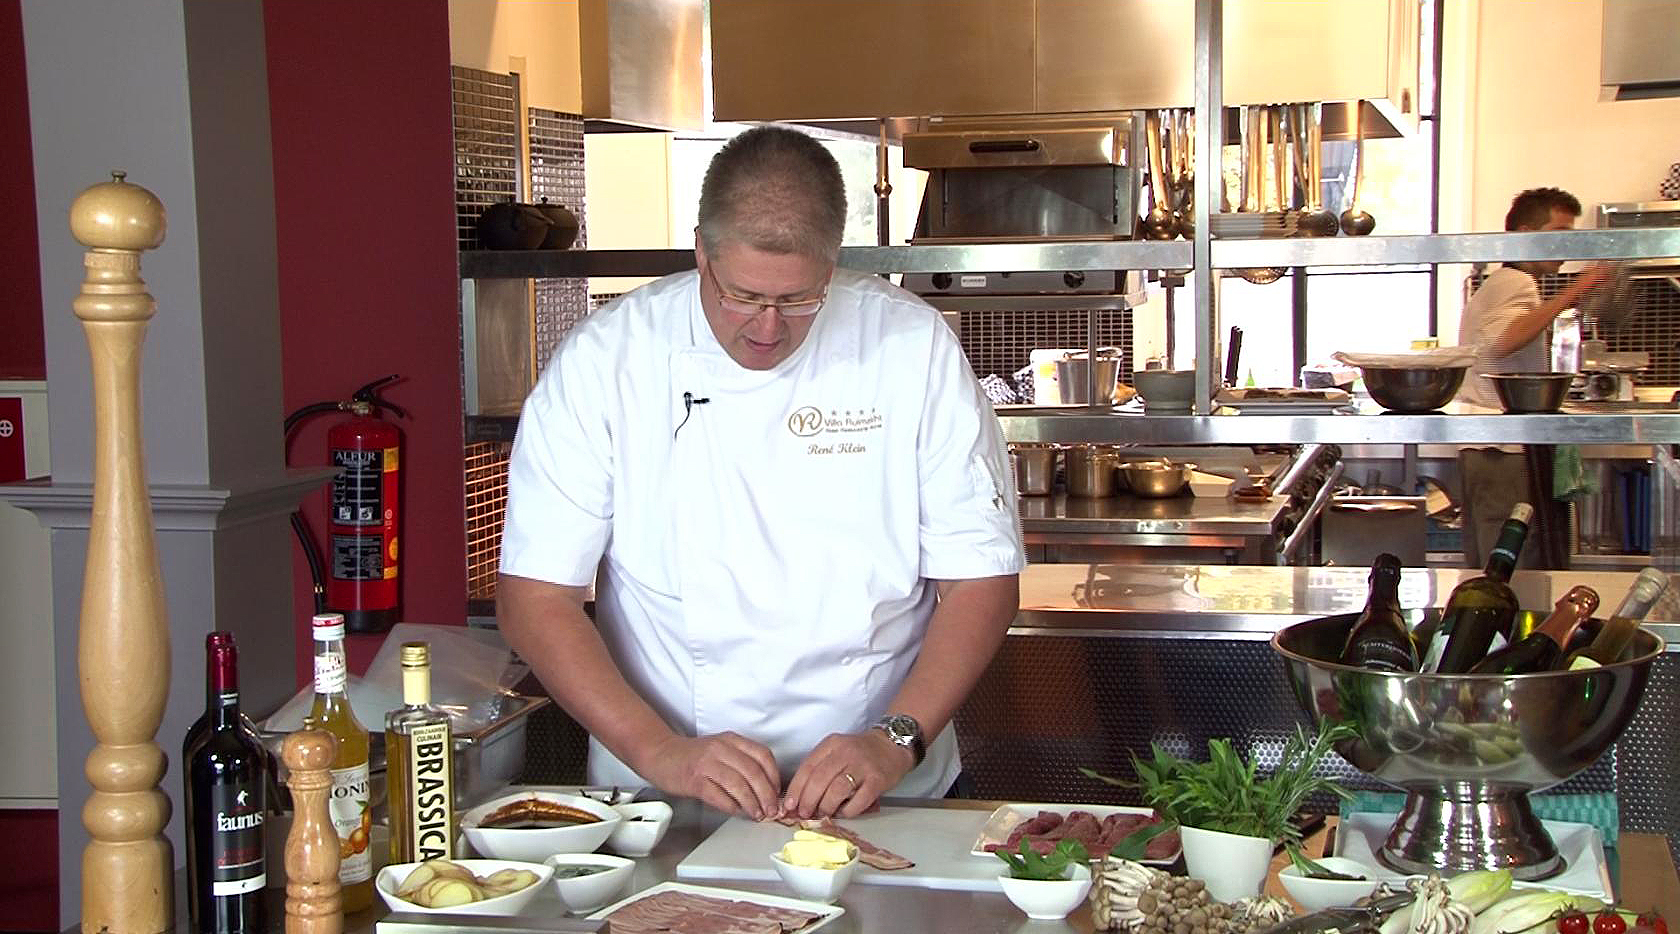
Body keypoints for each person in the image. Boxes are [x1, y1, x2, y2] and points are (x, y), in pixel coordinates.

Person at [497, 126, 1025, 823]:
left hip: (883, 793)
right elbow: (535, 596)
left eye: (800, 300)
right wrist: (657, 751)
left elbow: (982, 579)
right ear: (700, 253)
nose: (768, 328)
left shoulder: (910, 345)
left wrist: (895, 740)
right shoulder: (609, 360)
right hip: (663, 797)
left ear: (833, 265)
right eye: (742, 295)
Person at [1455, 187, 1609, 568]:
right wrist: (1576, 289)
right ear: (1525, 232)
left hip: (1489, 444)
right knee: (1511, 562)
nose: (1563, 246)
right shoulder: (1516, 283)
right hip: (1501, 449)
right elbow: (1499, 345)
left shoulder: (1503, 283)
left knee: (1491, 558)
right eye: (1557, 233)